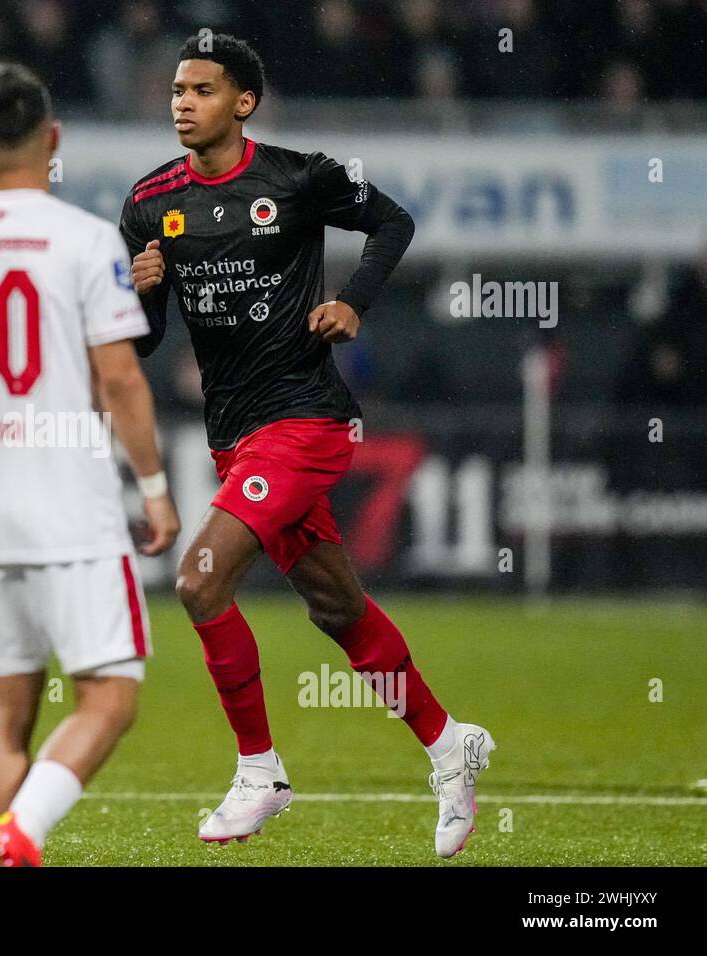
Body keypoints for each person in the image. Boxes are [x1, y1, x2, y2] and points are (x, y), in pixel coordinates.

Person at [121, 33, 494, 858]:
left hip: (306, 420)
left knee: (199, 578)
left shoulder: (300, 176)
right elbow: (145, 343)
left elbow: (392, 222)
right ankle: (449, 744)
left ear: (243, 103)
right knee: (337, 609)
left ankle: (260, 773)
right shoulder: (149, 202)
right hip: (235, 436)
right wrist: (140, 297)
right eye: (178, 90)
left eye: (203, 90)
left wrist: (355, 302)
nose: (182, 102)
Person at [0, 63, 180, 866]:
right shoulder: (88, 241)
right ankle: (23, 831)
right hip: (72, 505)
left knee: (4, 716)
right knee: (112, 696)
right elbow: (121, 377)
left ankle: (3, 843)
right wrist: (154, 489)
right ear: (52, 141)